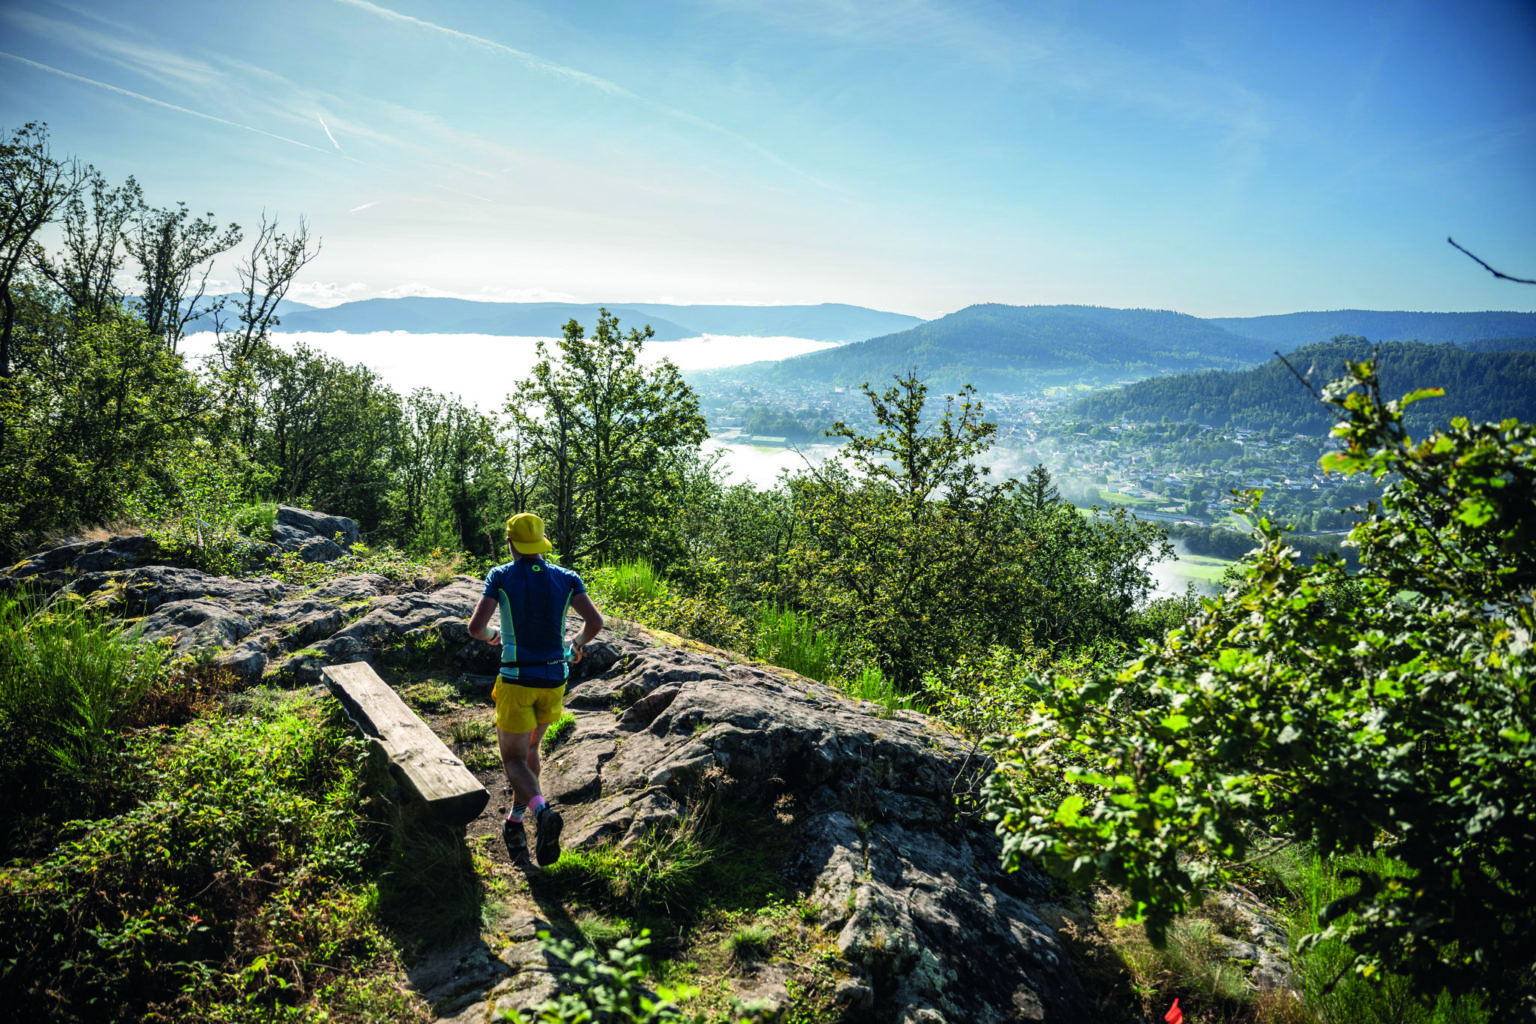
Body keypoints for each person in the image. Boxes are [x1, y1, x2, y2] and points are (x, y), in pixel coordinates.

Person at [467, 512, 603, 869]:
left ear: (510, 542)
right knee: (530, 750)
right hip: (554, 680)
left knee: (513, 760)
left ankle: (542, 813)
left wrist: (493, 636)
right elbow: (595, 622)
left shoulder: (500, 575)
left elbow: (476, 628)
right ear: (542, 543)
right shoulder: (567, 577)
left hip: (516, 681)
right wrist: (575, 644)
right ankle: (515, 822)